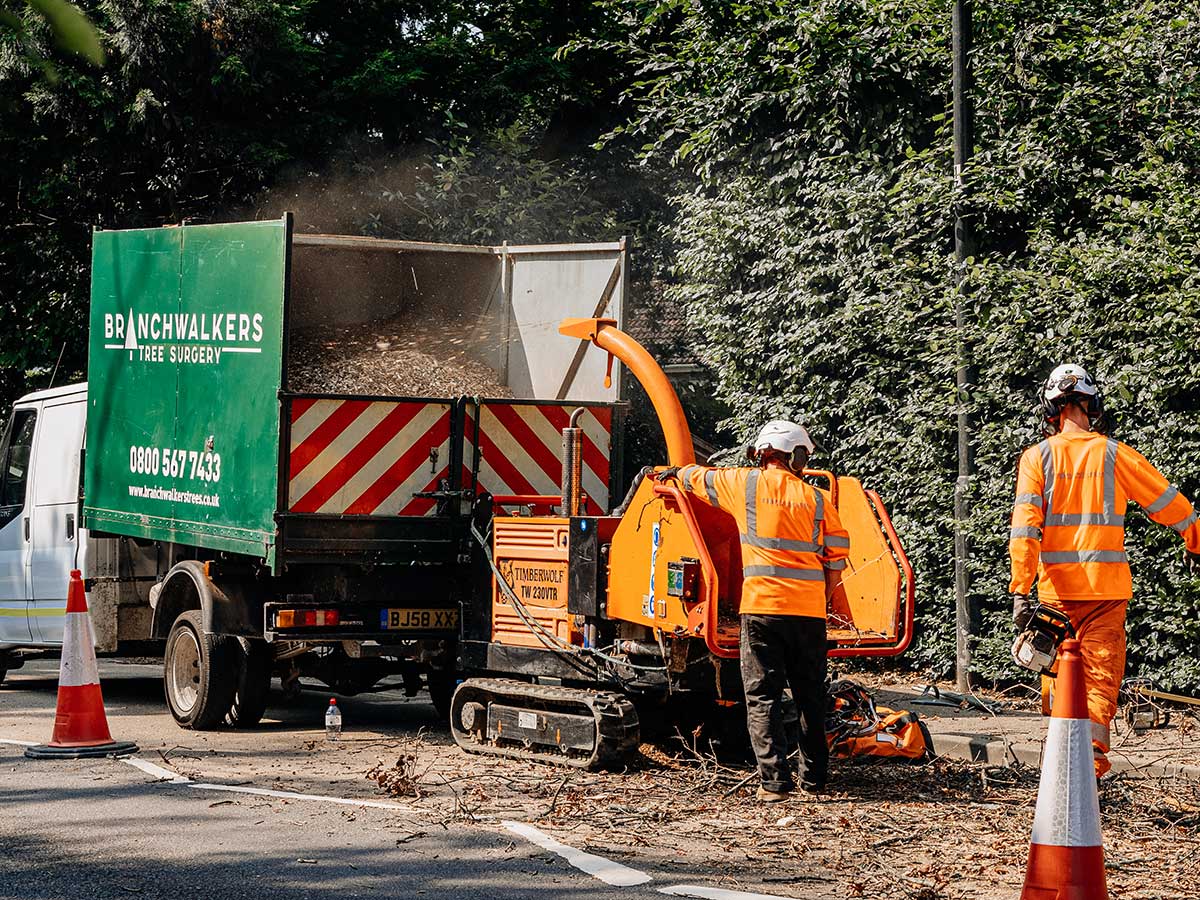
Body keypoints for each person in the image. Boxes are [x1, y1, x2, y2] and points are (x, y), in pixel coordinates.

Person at [1010, 364, 1200, 776]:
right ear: (1093, 405)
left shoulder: (1036, 458)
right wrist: (1195, 539)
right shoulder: (1114, 454)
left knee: (1060, 678)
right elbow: (1167, 500)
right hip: (1105, 594)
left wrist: (1021, 591)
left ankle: (1063, 770)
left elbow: (1025, 530)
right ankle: (1088, 771)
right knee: (1098, 680)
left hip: (1055, 597)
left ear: (1051, 408)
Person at [657, 420, 850, 802]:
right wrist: (822, 600)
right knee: (810, 697)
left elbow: (700, 478)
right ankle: (814, 782)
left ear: (760, 454)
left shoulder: (743, 484)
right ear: (797, 457)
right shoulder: (818, 500)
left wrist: (675, 472)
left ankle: (774, 785)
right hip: (808, 614)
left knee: (763, 697)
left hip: (761, 610)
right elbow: (836, 561)